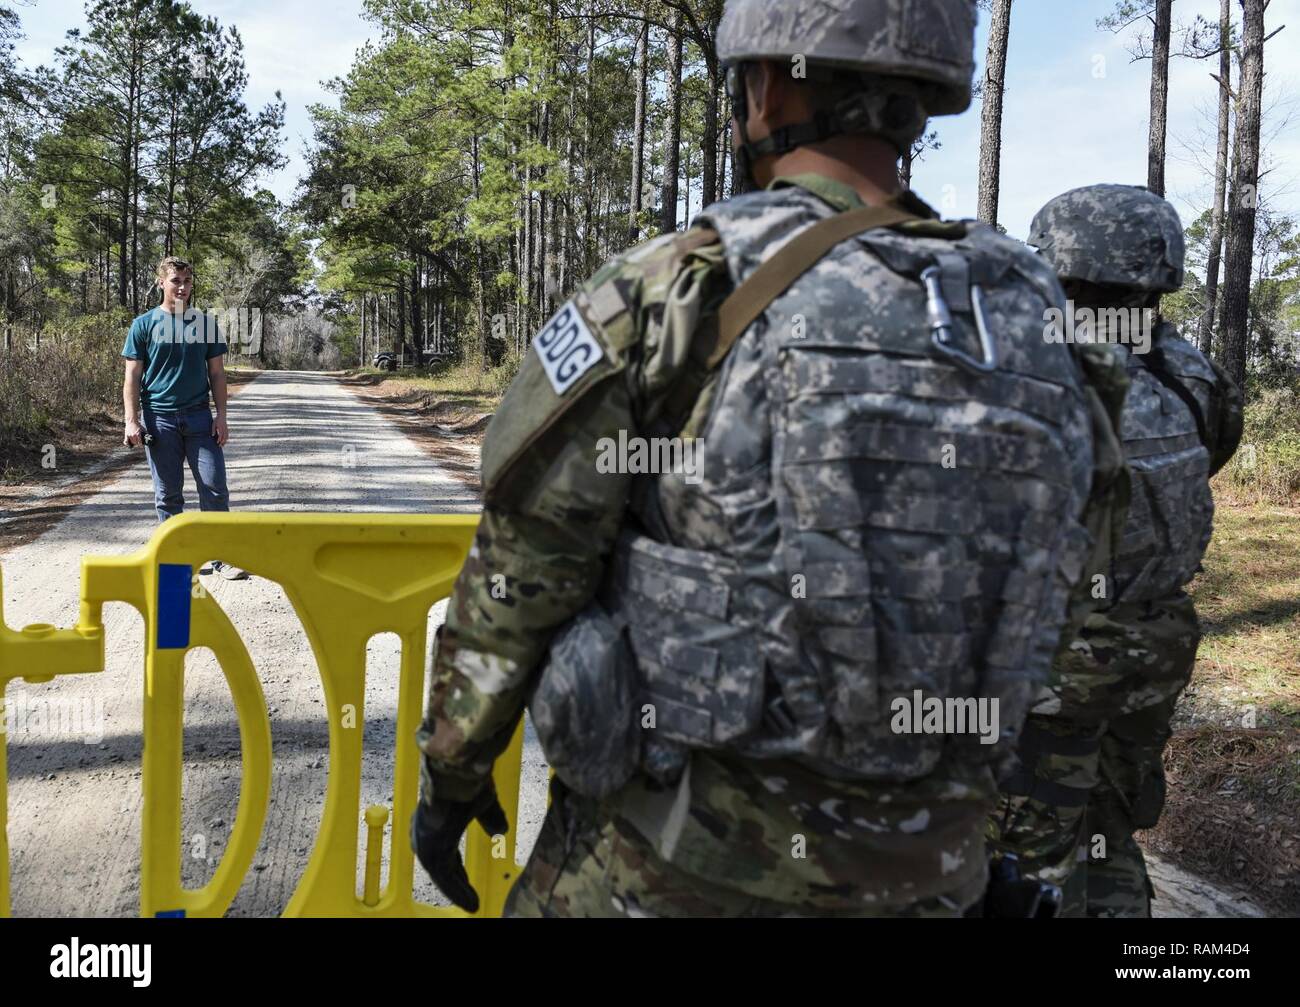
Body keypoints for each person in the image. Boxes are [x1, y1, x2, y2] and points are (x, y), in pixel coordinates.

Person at [412, 0, 1122, 917]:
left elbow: (523, 571)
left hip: (668, 874)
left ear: (765, 85)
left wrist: (453, 769)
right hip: (930, 881)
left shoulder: (679, 289)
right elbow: (1073, 574)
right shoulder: (1033, 320)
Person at [990, 184, 1243, 917]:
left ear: (1062, 266)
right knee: (1107, 831)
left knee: (1020, 855)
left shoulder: (1031, 371)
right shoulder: (1189, 372)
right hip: (1155, 655)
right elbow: (1208, 459)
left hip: (1055, 667)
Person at [121, 256, 249, 580]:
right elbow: (132, 379)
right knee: (168, 494)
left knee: (214, 486)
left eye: (187, 282)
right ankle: (177, 563)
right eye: (175, 281)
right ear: (161, 283)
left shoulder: (205, 324)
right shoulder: (143, 325)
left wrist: (222, 417)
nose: (182, 287)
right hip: (159, 419)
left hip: (198, 418)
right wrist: (131, 420)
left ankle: (221, 558)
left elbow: (217, 374)